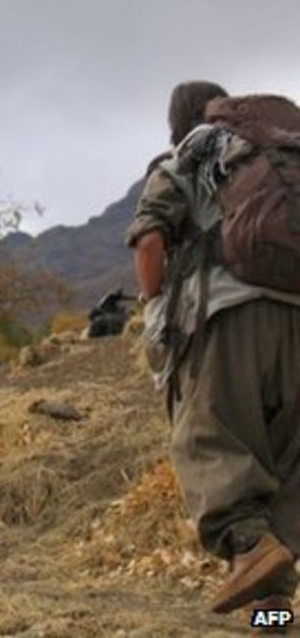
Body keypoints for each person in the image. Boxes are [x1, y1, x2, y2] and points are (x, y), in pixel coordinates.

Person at [127, 81, 300, 619]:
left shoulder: (191, 156)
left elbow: (151, 239)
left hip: (228, 320)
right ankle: (272, 610)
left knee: (208, 440)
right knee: (284, 468)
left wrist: (153, 302)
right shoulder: (272, 159)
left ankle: (248, 547)